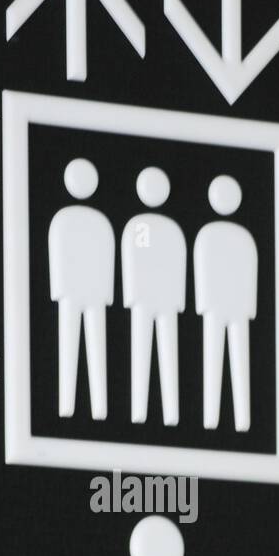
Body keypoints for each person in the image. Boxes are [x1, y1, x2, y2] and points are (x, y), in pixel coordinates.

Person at [48, 158, 114, 420]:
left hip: (84, 291)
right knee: (76, 346)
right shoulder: (93, 222)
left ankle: (93, 405)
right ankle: (73, 402)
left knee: (88, 347)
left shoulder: (66, 220)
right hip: (78, 291)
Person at [121, 167, 186, 426]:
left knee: (161, 354)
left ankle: (167, 412)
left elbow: (179, 266)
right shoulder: (149, 228)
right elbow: (131, 262)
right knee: (147, 352)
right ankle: (144, 409)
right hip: (149, 298)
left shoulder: (146, 228)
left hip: (158, 298)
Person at [193, 175, 257, 432]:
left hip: (221, 306)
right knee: (231, 359)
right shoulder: (243, 238)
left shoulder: (208, 235)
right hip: (230, 306)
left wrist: (202, 306)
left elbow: (204, 271)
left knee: (218, 359)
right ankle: (230, 416)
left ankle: (221, 416)